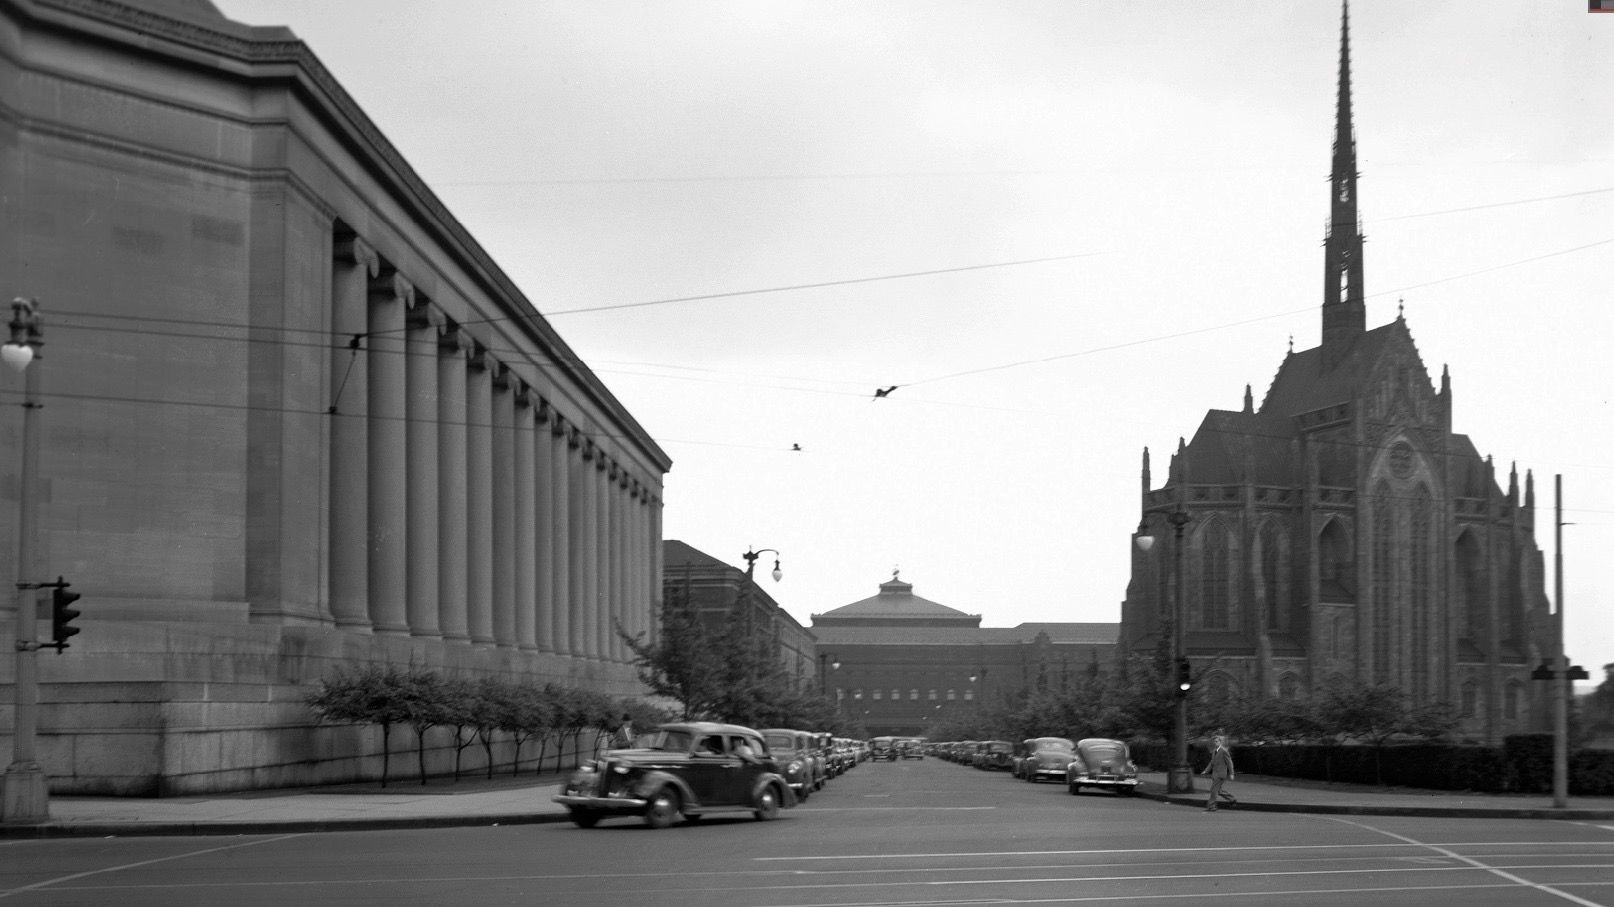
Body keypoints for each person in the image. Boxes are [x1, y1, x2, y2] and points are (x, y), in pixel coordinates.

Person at [1200, 735, 1235, 812]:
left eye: (1217, 741)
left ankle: (1212, 807)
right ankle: (1232, 799)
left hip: (1220, 774)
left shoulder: (1224, 751)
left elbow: (1229, 763)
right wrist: (1206, 771)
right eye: (1214, 742)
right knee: (1219, 791)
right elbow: (1212, 763)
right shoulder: (1214, 751)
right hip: (1215, 774)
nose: (1215, 743)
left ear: (1220, 742)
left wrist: (1232, 773)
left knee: (1213, 790)